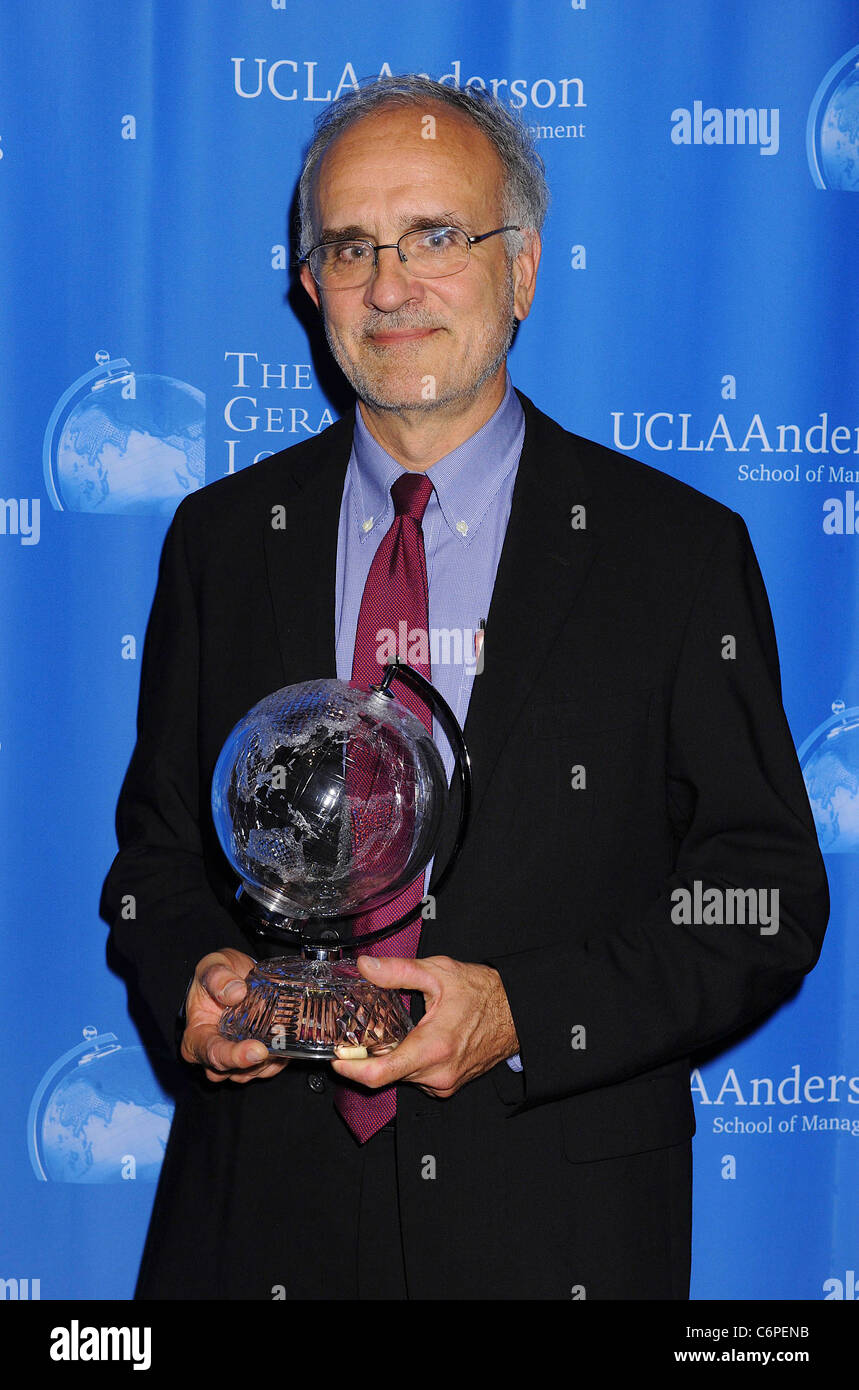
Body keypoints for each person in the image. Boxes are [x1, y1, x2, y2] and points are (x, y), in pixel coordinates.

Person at [101, 75, 828, 1301]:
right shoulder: (220, 541)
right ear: (308, 283)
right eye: (350, 246)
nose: (390, 285)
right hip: (257, 1223)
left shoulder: (676, 554)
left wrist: (519, 1011)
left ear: (524, 268)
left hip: (557, 1228)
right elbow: (157, 863)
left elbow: (759, 898)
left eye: (436, 235)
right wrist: (197, 977)